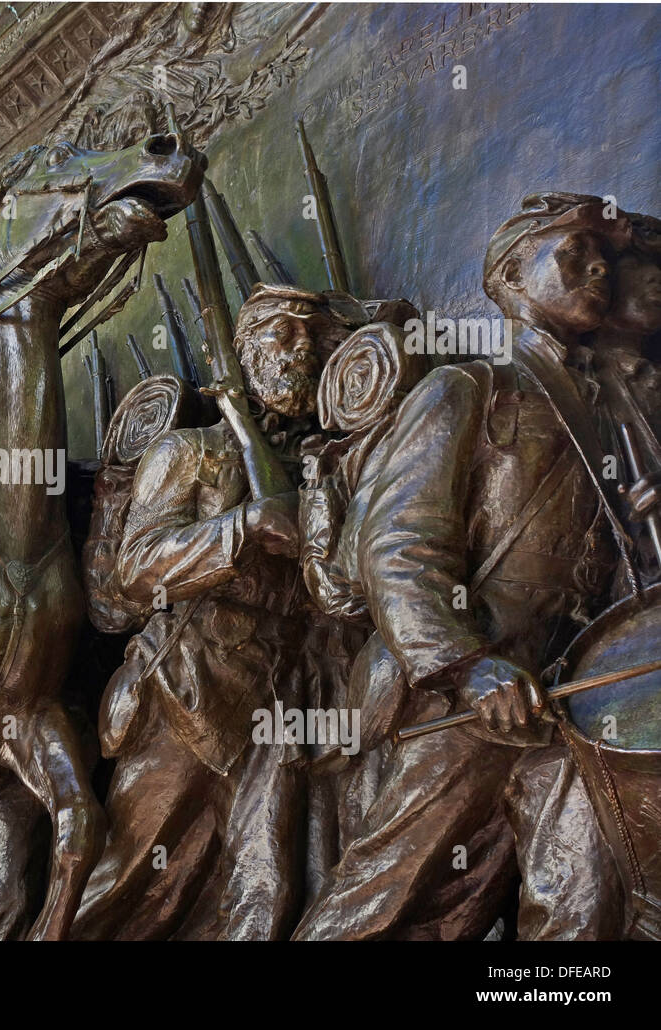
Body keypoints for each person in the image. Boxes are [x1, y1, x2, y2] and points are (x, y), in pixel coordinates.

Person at [294, 193, 633, 940]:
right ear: (511, 276)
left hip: (563, 693)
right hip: (459, 700)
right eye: (573, 252)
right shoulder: (467, 388)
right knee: (383, 901)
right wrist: (467, 667)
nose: (597, 267)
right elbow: (399, 544)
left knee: (559, 898)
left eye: (603, 254)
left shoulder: (606, 409)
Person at [72, 285, 360, 939]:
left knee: (264, 889)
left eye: (311, 339)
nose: (299, 353)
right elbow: (138, 569)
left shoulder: (325, 464)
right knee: (133, 880)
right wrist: (244, 528)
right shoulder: (190, 452)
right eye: (280, 337)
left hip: (294, 702)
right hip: (193, 690)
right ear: (242, 356)